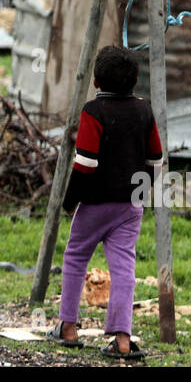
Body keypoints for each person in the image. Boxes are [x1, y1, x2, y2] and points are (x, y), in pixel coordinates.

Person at [50, 46, 162, 360]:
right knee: (124, 267)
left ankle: (68, 328)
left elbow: (85, 163)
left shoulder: (92, 112)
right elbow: (156, 159)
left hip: (95, 203)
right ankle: (122, 340)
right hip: (130, 205)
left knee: (75, 258)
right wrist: (141, 192)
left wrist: (70, 201)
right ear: (136, 79)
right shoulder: (144, 110)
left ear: (96, 82)